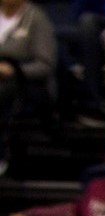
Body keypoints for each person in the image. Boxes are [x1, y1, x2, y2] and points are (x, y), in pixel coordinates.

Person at [0, 0, 57, 166]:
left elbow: (46, 65)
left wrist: (12, 70)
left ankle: (3, 154)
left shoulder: (36, 19)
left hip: (26, 84)